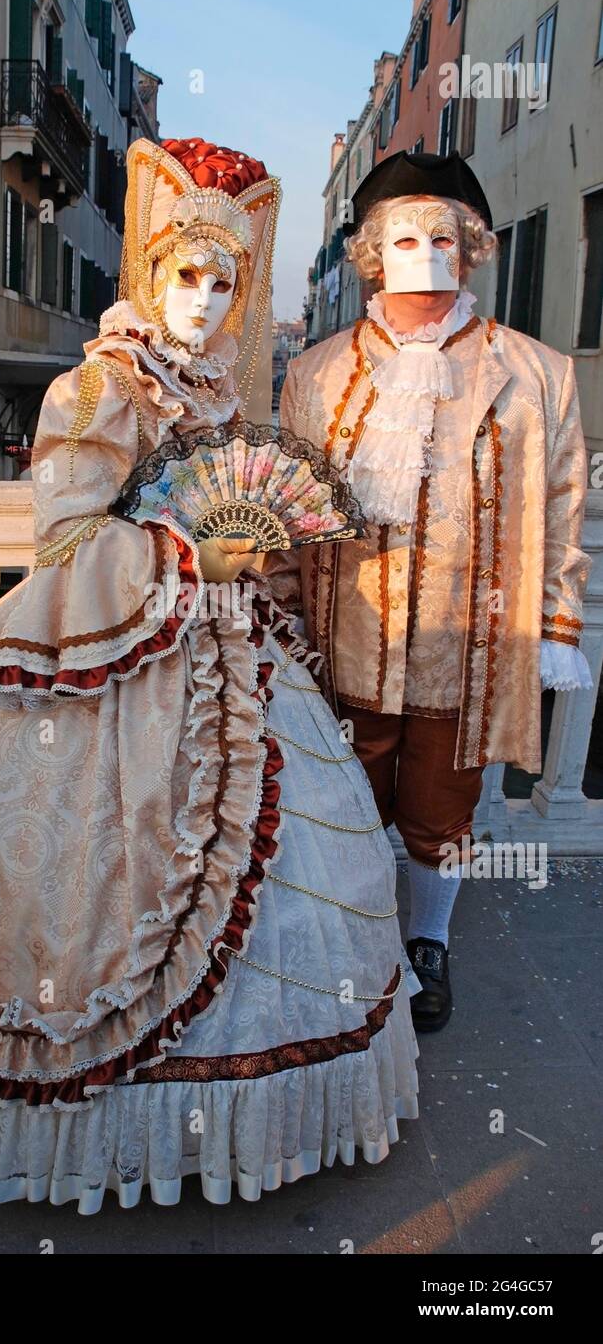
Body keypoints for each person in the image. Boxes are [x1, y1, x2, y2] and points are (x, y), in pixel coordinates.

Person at [0, 138, 419, 1213]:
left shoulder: (219, 391)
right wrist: (193, 553)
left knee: (274, 844)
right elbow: (62, 539)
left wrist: (244, 558)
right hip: (106, 642)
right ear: (148, 276)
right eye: (186, 274)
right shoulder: (98, 385)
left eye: (224, 279)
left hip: (226, 649)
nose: (203, 298)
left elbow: (237, 500)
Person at [275, 149, 592, 1034]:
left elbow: (564, 505)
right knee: (338, 801)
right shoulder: (315, 374)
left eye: (442, 235)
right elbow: (285, 508)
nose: (425, 251)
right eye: (404, 236)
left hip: (469, 646)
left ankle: (428, 944)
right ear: (372, 252)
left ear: (473, 247)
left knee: (441, 814)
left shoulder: (535, 373)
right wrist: (280, 618)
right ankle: (350, 944)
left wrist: (557, 623)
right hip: (344, 640)